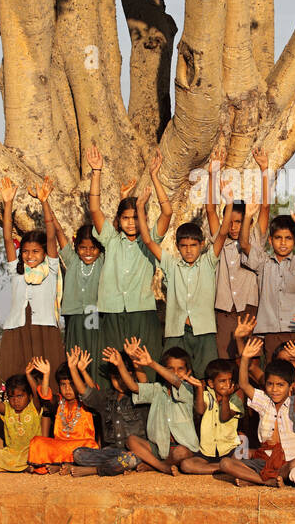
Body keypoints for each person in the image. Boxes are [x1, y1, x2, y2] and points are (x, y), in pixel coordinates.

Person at [137, 157, 233, 376]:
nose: (189, 250)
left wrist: (214, 176)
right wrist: (141, 204)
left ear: (201, 245)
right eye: (184, 246)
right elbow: (150, 241)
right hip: (175, 331)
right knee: (172, 379)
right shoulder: (172, 264)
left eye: (193, 245)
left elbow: (223, 232)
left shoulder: (209, 261)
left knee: (206, 377)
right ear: (178, 247)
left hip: (204, 332)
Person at [88, 145, 162, 365]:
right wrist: (97, 172)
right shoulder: (111, 239)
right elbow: (94, 210)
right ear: (118, 221)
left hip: (143, 311)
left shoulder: (150, 241)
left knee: (143, 365)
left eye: (136, 217)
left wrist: (154, 177)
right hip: (111, 310)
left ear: (144, 219)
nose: (131, 222)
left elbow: (167, 214)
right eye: (126, 218)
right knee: (112, 364)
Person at [0, 175, 65, 386]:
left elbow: (51, 235)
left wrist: (45, 202)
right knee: (14, 378)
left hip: (44, 328)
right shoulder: (17, 270)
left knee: (49, 379)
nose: (30, 255)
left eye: (35, 251)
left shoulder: (51, 268)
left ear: (45, 252)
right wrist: (8, 203)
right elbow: (7, 238)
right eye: (25, 251)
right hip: (17, 329)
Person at [240, 199, 295, 362]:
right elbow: (244, 244)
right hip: (271, 331)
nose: (283, 242)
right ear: (271, 241)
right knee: (275, 374)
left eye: (288, 238)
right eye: (278, 238)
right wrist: (248, 217)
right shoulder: (263, 262)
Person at [224, 337, 295, 486]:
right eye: (270, 384)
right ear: (265, 384)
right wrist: (245, 357)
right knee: (226, 464)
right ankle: (267, 481)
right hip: (264, 460)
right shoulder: (264, 401)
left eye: (280, 385)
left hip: (288, 462)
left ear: (291, 385)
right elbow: (244, 384)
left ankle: (254, 480)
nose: (274, 389)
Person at [207, 158, 263, 360]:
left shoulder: (255, 238)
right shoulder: (220, 240)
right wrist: (213, 175)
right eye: (230, 222)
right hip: (224, 309)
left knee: (249, 359)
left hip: (248, 307)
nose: (233, 227)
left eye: (238, 222)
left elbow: (264, 208)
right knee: (225, 357)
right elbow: (210, 210)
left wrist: (264, 169)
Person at [61, 345, 144, 477]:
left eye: (124, 377)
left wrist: (134, 359)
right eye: (115, 378)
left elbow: (144, 382)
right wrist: (73, 369)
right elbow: (86, 393)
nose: (120, 382)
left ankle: (94, 470)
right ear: (110, 378)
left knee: (130, 458)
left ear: (132, 375)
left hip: (134, 452)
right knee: (78, 454)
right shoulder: (106, 397)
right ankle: (115, 467)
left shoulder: (139, 396)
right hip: (110, 452)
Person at [49, 182, 105, 367]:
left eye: (93, 248)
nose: (88, 252)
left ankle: (93, 385)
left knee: (92, 350)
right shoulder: (72, 261)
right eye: (83, 248)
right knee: (74, 350)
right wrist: (45, 202)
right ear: (76, 247)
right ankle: (75, 388)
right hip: (73, 313)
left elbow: (111, 232)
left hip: (92, 311)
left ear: (99, 249)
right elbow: (58, 231)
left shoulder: (103, 261)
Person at [124, 343, 203, 474]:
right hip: (160, 448)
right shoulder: (158, 389)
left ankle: (157, 465)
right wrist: (129, 360)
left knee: (180, 453)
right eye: (170, 369)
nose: (175, 373)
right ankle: (161, 466)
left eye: (180, 369)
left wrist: (151, 363)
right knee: (131, 441)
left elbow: (176, 381)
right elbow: (134, 387)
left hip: (183, 448)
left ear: (188, 372)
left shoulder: (188, 389)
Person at [26, 352, 99, 472]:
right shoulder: (59, 401)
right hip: (59, 446)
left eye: (72, 384)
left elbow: (94, 392)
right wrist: (46, 375)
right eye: (63, 385)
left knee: (90, 446)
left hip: (81, 447)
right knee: (37, 442)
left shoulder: (86, 402)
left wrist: (82, 371)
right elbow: (45, 395)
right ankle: (61, 465)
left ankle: (59, 465)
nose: (67, 389)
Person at [175, 358, 247, 478]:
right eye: (222, 381)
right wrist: (199, 388)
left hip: (229, 449)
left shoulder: (235, 397)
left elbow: (225, 417)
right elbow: (199, 410)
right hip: (207, 451)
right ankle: (222, 468)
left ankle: (228, 466)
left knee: (243, 447)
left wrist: (225, 397)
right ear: (211, 384)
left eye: (229, 380)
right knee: (186, 465)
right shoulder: (207, 395)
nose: (227, 384)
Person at [0, 369, 45, 473]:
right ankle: (23, 467)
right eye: (12, 397)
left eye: (20, 396)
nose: (16, 401)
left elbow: (37, 394)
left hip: (30, 451)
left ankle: (17, 467)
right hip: (12, 453)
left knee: (38, 454)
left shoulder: (34, 408)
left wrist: (28, 375)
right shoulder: (7, 409)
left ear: (29, 396)